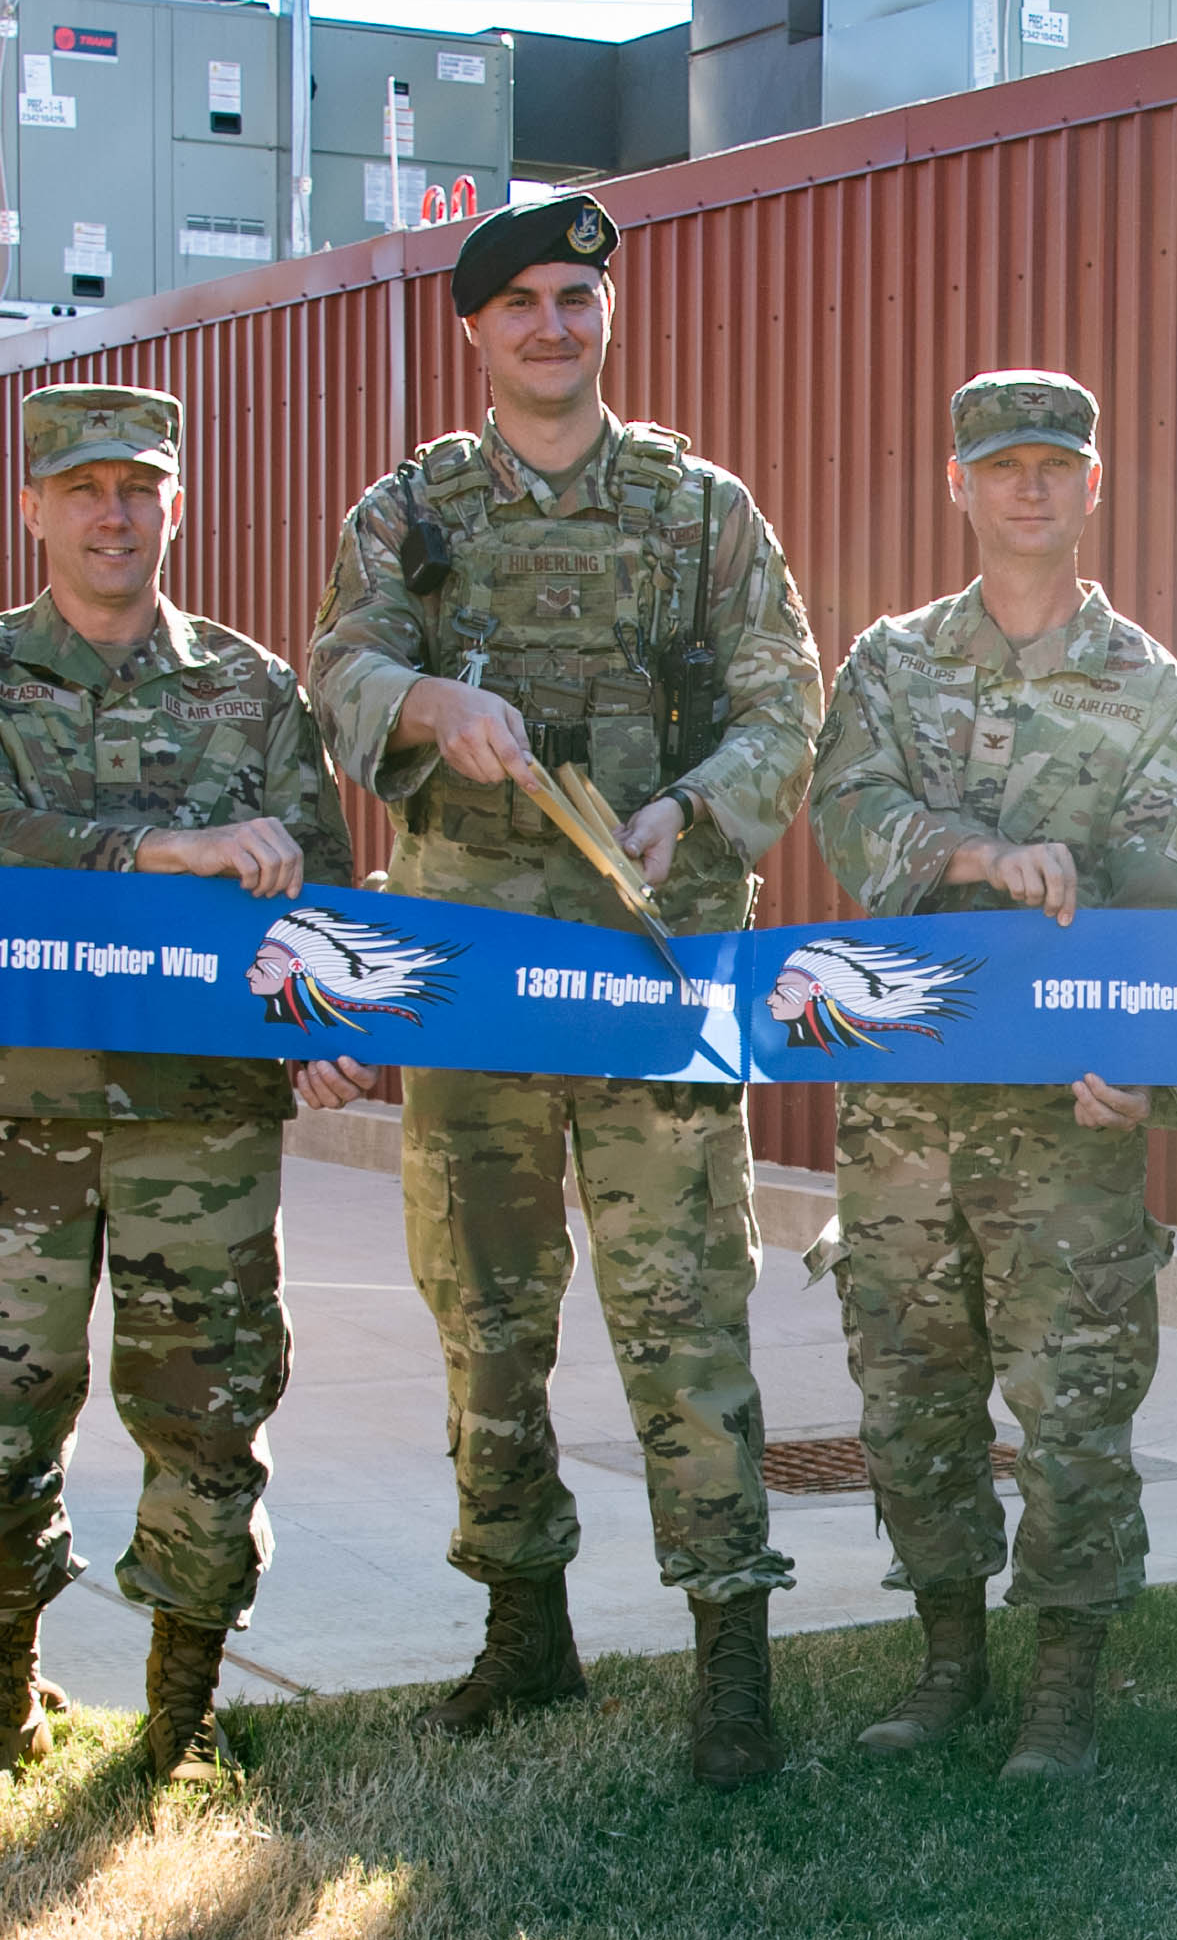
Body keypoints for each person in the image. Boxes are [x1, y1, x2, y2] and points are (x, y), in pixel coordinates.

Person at [304, 195, 826, 1789]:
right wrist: (426, 695)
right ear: (474, 330)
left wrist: (697, 807)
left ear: (608, 316)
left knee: (685, 1310)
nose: (551, 324)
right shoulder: (410, 515)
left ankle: (730, 1653)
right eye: (520, 300)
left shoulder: (698, 508)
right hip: (473, 983)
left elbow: (786, 702)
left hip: (655, 975)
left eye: (576, 298)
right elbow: (337, 676)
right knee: (486, 1305)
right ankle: (523, 1623)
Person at [0, 384, 367, 1781]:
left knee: (208, 1411)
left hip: (202, 1116)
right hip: (17, 1111)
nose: (114, 512)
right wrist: (155, 850)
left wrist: (324, 1018)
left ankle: (181, 1708)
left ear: (175, 504)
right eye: (85, 487)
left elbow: (324, 879)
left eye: (139, 487)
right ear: (34, 504)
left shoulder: (250, 684)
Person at [803, 370, 1177, 1780]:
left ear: (1092, 485)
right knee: (911, 1389)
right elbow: (848, 813)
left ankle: (1063, 1676)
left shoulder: (1151, 688)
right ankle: (944, 1654)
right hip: (906, 1116)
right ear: (957, 484)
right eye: (1002, 465)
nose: (1028, 487)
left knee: (1073, 1398)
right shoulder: (891, 663)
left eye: (1054, 463)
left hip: (1064, 1125)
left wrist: (1149, 1063)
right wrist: (980, 853)